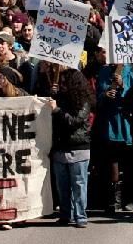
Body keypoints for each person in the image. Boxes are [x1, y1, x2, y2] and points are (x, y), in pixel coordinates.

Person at [49, 67, 93, 227]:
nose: (62, 85)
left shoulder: (84, 101)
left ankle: (80, 216)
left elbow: (74, 121)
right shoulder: (58, 98)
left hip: (78, 147)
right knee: (62, 186)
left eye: (64, 82)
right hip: (60, 148)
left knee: (79, 185)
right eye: (60, 82)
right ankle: (65, 215)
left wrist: (57, 110)